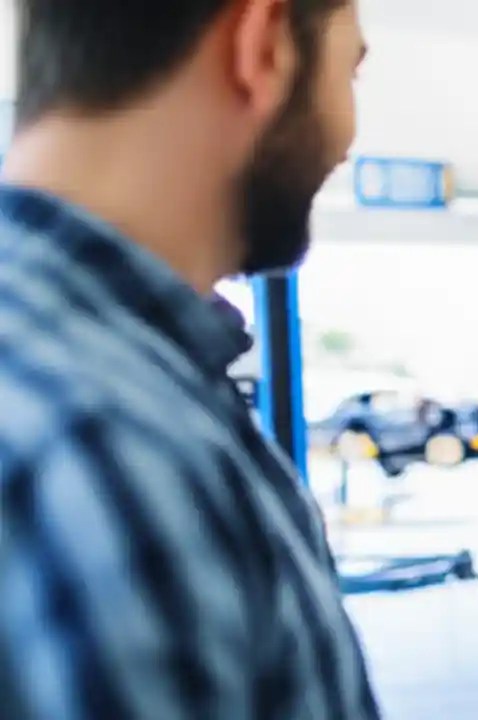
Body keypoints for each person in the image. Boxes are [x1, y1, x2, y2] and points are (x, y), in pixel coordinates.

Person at [0, 1, 379, 718]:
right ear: (262, 45)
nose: (346, 144)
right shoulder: (111, 444)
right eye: (350, 70)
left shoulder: (116, 383)